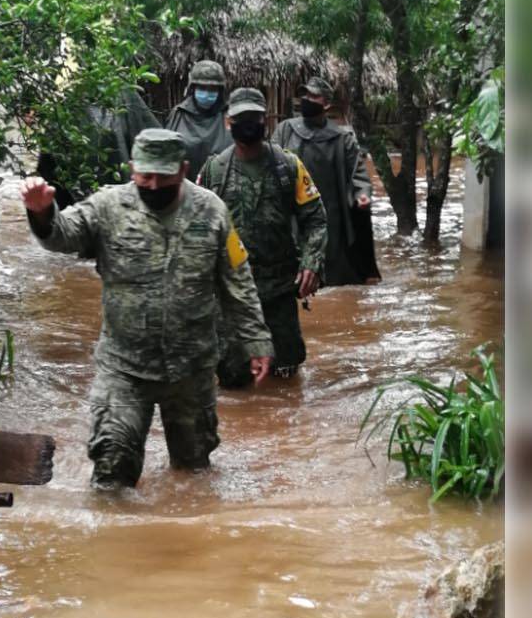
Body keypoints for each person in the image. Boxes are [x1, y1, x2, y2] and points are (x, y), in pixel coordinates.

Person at [21, 128, 273, 488]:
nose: (153, 185)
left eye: (164, 176)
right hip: (124, 367)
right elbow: (63, 234)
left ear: (184, 169)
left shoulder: (212, 212)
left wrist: (257, 340)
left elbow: (238, 280)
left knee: (194, 474)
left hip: (192, 368)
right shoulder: (108, 206)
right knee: (112, 463)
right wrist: (43, 213)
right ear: (131, 169)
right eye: (145, 175)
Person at [197, 88, 328, 387]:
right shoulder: (214, 170)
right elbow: (198, 230)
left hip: (280, 290)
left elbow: (316, 219)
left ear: (265, 120)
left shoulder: (288, 166)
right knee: (232, 381)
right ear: (229, 123)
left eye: (254, 118)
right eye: (241, 119)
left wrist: (312, 262)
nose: (248, 125)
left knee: (286, 377)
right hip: (230, 296)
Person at [272, 77, 376, 286]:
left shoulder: (341, 138)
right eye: (306, 95)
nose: (307, 99)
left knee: (332, 268)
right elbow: (271, 162)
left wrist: (362, 193)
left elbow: (357, 172)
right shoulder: (285, 130)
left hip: (331, 212)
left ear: (326, 104)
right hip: (293, 209)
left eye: (314, 96)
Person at [165, 60, 232, 176]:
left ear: (220, 91)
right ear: (193, 88)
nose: (207, 93)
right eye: (202, 87)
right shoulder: (179, 114)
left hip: (221, 187)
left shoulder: (230, 116)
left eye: (212, 89)